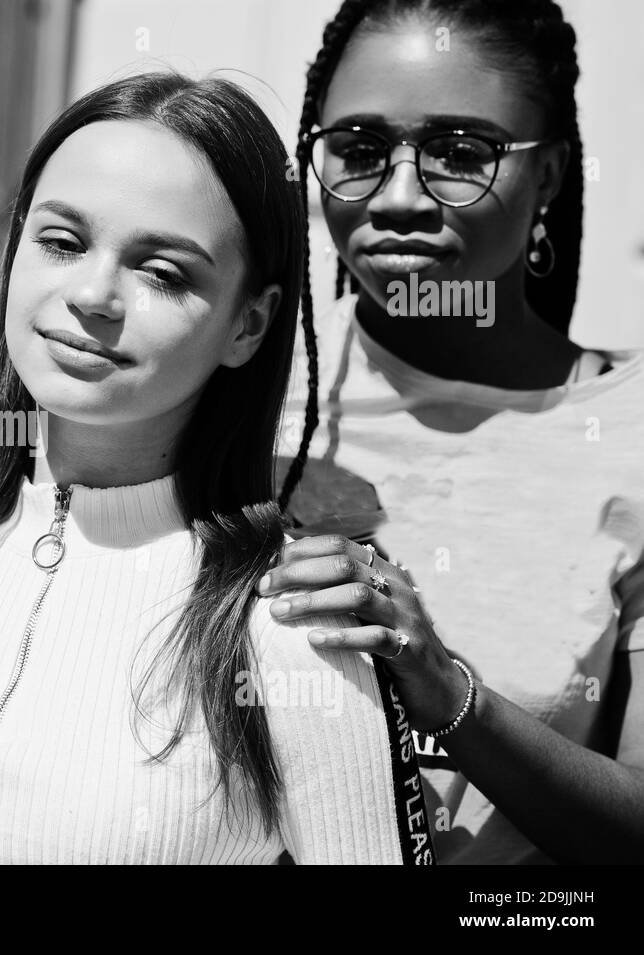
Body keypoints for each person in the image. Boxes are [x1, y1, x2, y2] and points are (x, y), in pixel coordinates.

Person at [0, 71, 432, 864]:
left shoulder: (287, 621)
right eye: (61, 242)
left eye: (162, 273)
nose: (94, 294)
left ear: (249, 324)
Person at [263, 0, 644, 864]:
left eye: (460, 153)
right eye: (358, 151)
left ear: (547, 176)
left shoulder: (627, 435)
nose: (399, 197)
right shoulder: (236, 393)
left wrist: (450, 693)